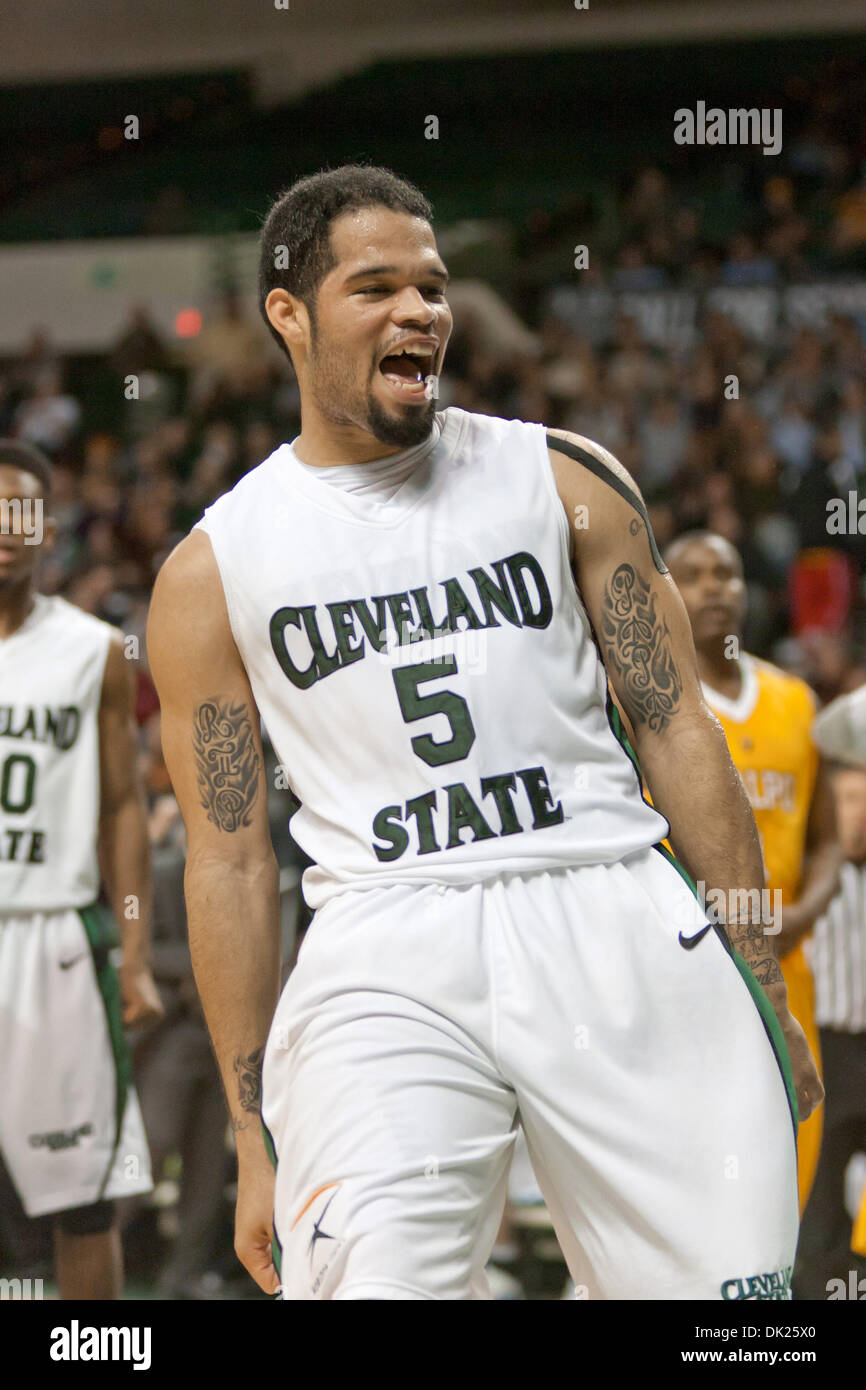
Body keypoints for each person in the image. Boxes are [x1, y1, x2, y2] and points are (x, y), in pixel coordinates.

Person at [147, 164, 820, 1302]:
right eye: (376, 287)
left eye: (432, 286)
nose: (421, 312)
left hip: (604, 897)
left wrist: (753, 971)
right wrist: (252, 1128)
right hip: (381, 944)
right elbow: (226, 855)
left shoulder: (558, 477)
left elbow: (672, 726)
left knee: (732, 1309)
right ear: (288, 313)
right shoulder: (215, 567)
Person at [0, 438, 161, 1298]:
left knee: (83, 1201)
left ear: (49, 530)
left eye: (20, 508)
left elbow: (123, 806)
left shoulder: (93, 649)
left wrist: (133, 950)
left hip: (53, 941)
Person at [666, 530, 841, 1218]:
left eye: (728, 573)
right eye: (696, 574)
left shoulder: (796, 700)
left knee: (789, 1173)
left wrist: (807, 912)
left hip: (788, 967)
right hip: (691, 969)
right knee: (699, 1185)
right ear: (665, 590)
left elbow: (828, 839)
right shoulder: (650, 706)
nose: (716, 588)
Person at [792, 762, 866, 1298]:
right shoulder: (813, 876)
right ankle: (817, 1286)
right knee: (821, 1178)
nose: (857, 817)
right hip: (826, 1044)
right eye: (846, 802)